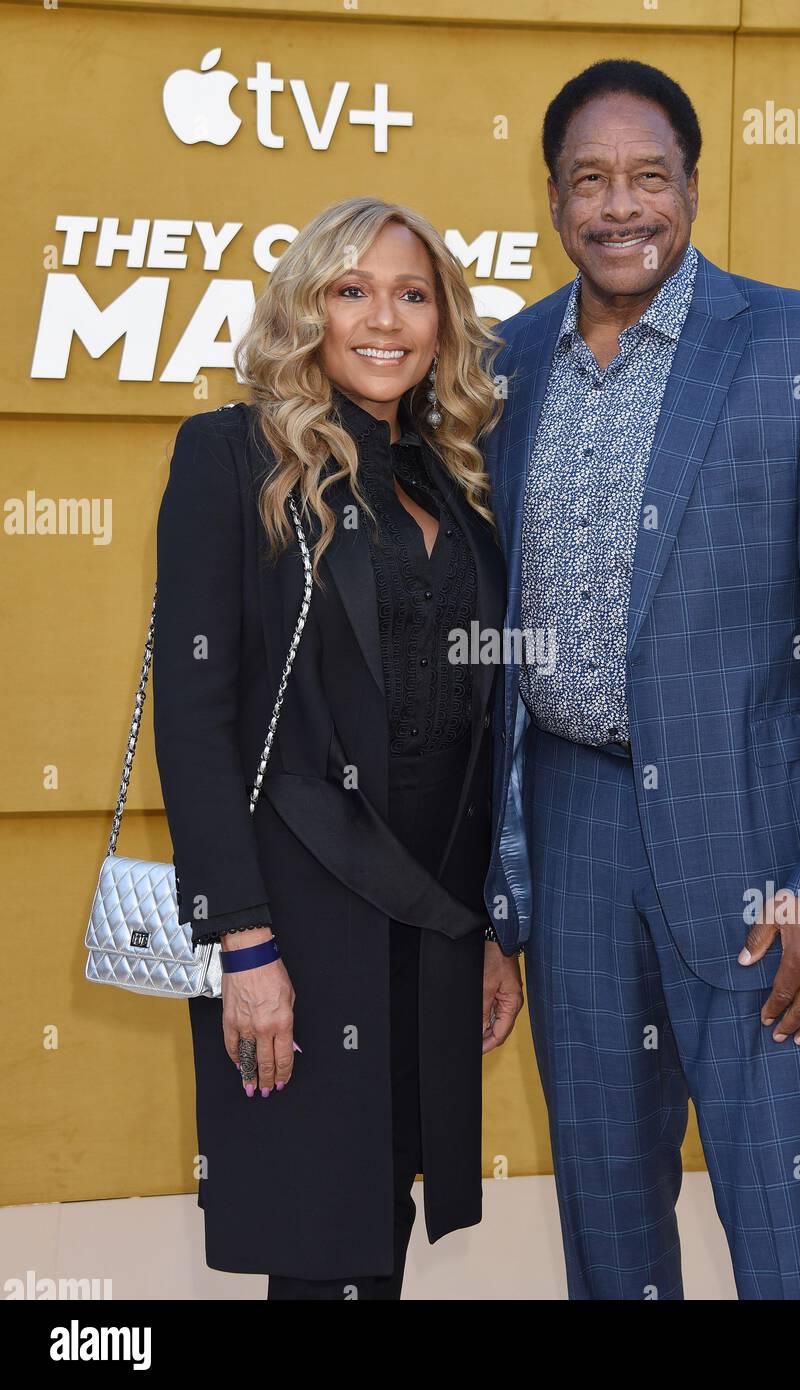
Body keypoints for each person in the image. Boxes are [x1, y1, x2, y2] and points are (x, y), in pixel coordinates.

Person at [482, 60, 800, 1299]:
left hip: (761, 850)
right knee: (608, 1225)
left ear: (691, 186)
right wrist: (495, 896)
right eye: (589, 181)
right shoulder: (502, 367)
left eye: (648, 177)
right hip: (570, 838)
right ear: (555, 201)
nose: (620, 206)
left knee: (789, 1233)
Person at [153, 195, 524, 1300]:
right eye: (350, 289)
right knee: (320, 1232)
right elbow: (195, 712)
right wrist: (245, 944)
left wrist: (494, 927)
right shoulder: (231, 454)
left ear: (443, 323)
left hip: (434, 914)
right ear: (305, 309)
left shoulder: (456, 480)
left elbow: (484, 723)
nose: (385, 319)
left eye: (413, 294)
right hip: (300, 917)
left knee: (385, 1210)